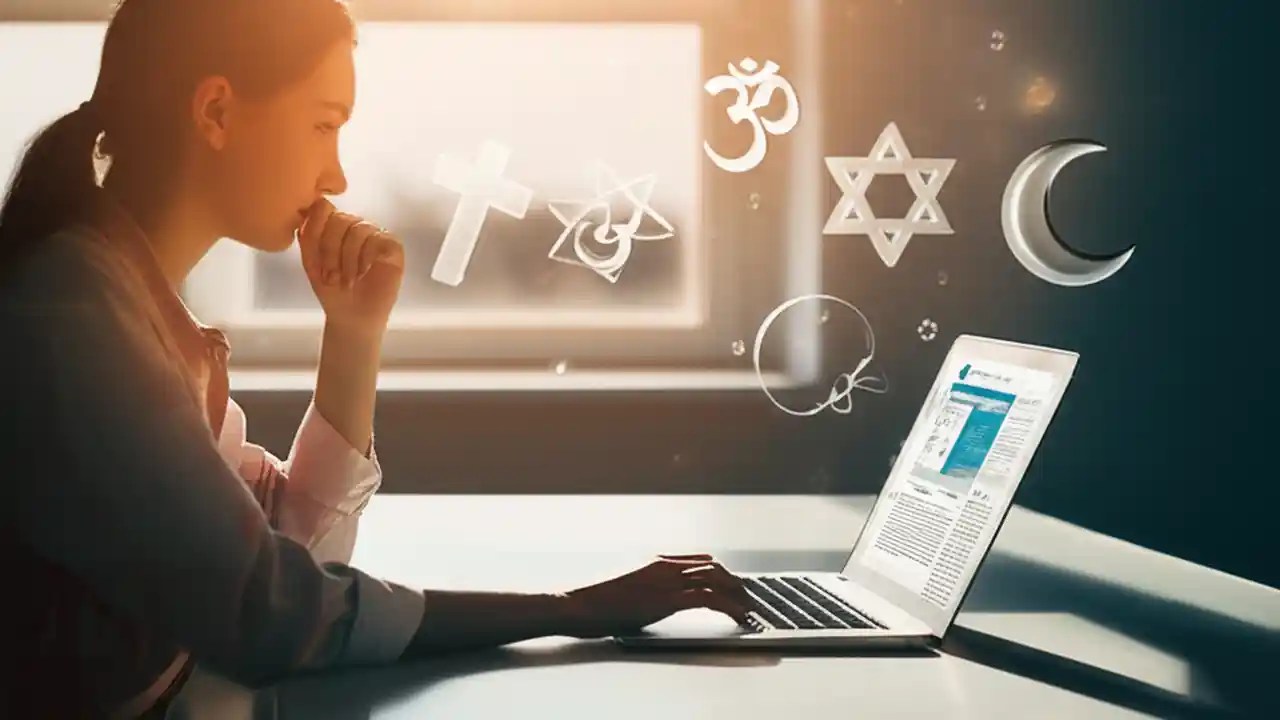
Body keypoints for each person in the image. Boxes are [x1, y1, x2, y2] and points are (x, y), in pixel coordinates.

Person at [0, 1, 756, 717]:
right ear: (217, 113)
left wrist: (354, 336)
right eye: (324, 125)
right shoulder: (74, 318)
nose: (336, 177)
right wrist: (572, 611)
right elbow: (271, 614)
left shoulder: (125, 308)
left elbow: (289, 554)